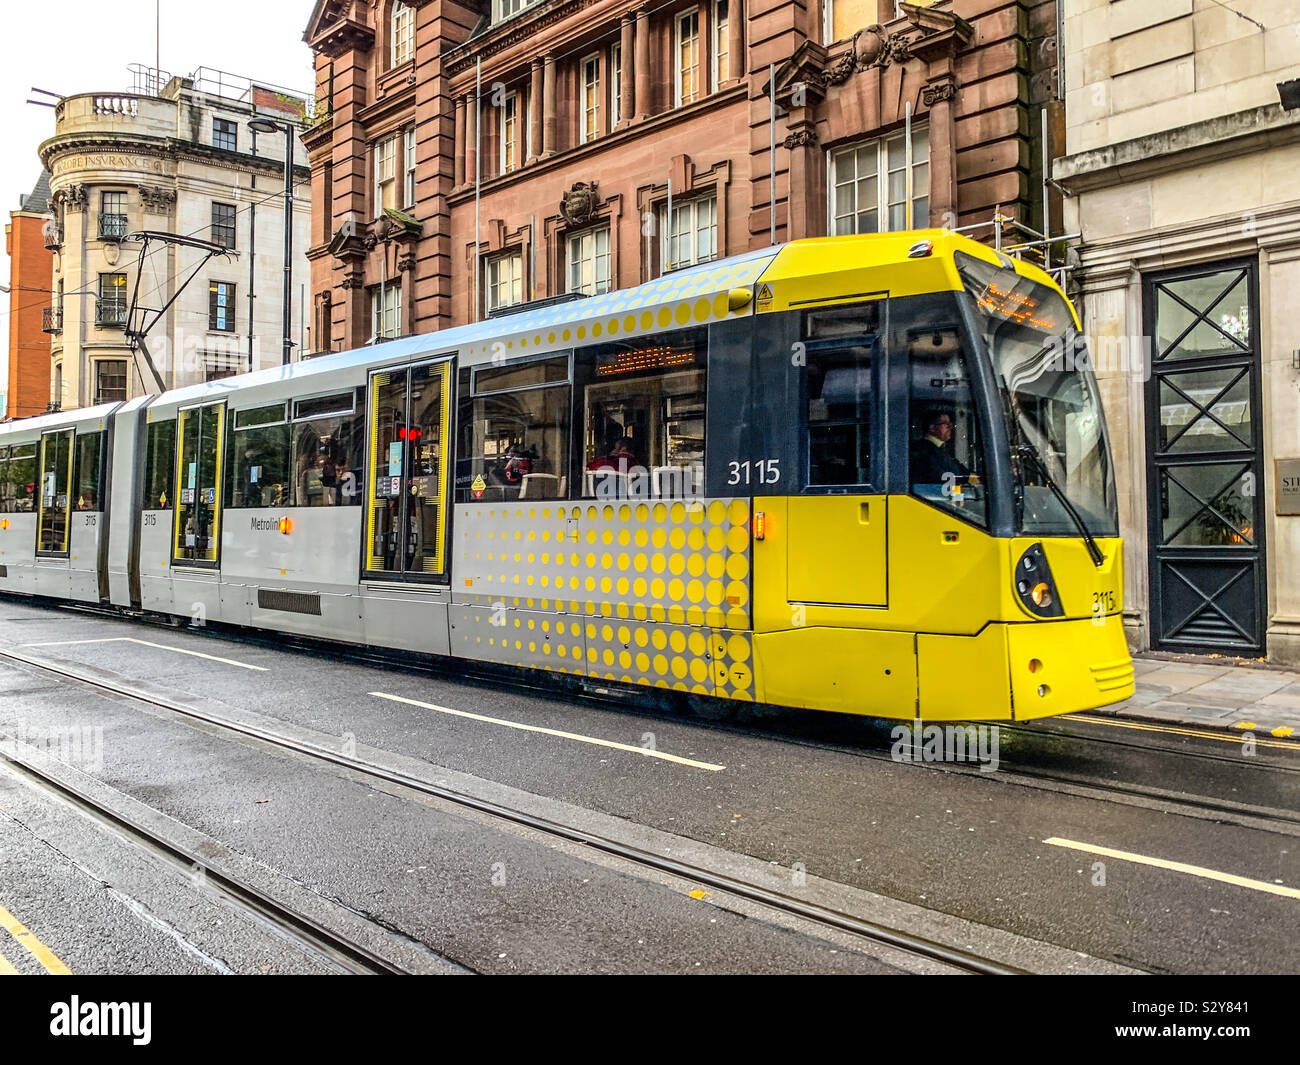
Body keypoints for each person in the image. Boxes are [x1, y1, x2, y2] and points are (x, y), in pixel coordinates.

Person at [910, 409, 969, 485]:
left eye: (950, 424)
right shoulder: (922, 451)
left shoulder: (943, 450)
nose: (950, 427)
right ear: (932, 428)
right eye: (946, 424)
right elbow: (941, 478)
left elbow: (963, 472)